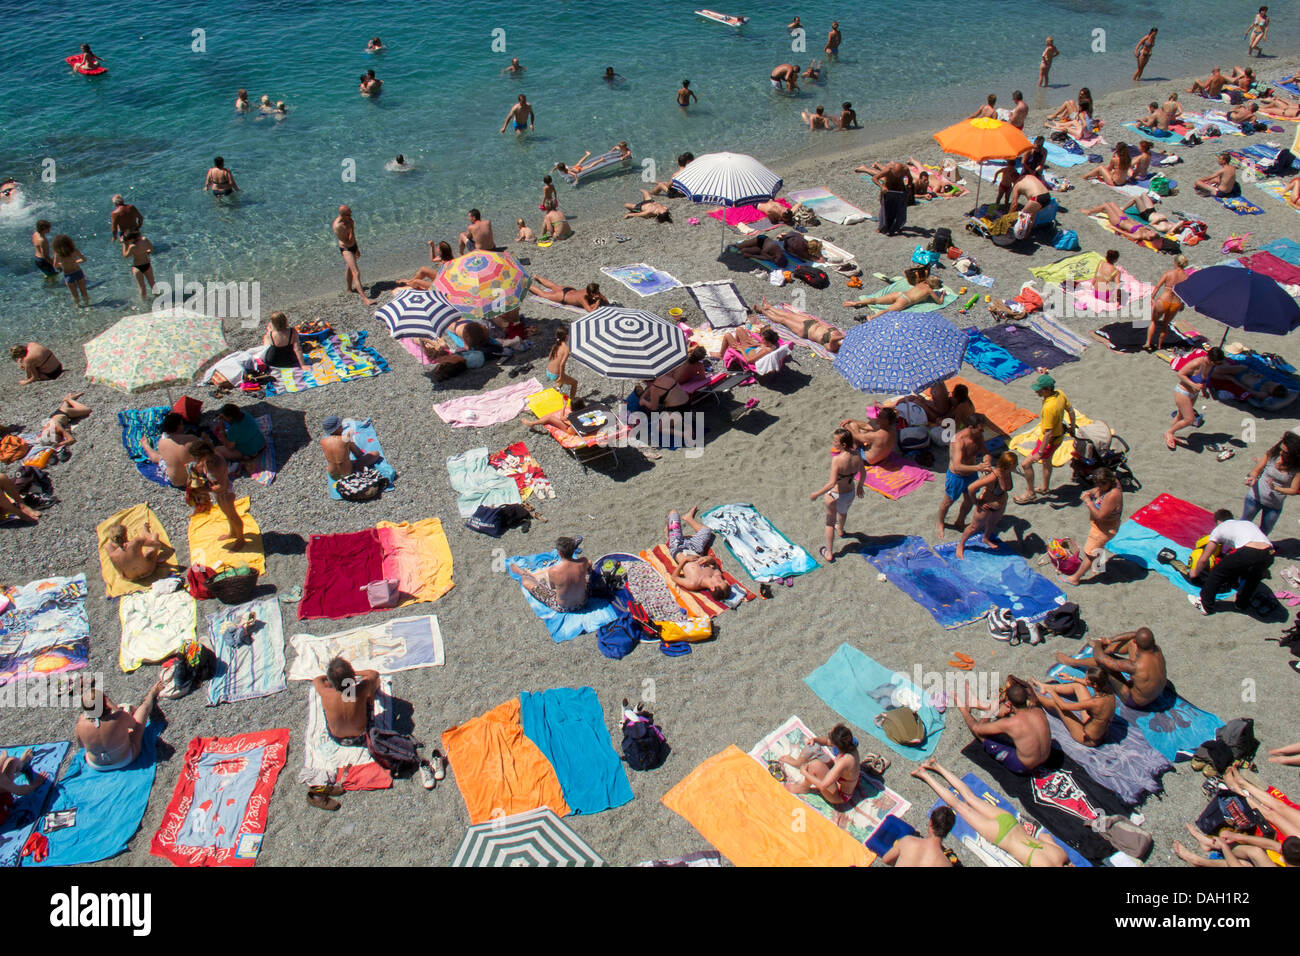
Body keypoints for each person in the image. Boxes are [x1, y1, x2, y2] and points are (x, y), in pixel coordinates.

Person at [912, 758, 1068, 866]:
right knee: (960, 807)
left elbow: (1044, 836)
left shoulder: (1061, 854)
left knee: (970, 797)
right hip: (1000, 836)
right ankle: (924, 775)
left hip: (1011, 823)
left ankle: (937, 766)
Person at [1189, 509, 1274, 614]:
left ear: (1218, 522)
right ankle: (1241, 604)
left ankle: (1205, 605)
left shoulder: (1219, 529)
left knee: (1218, 572)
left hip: (1250, 551)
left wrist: (1195, 573)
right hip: (1269, 553)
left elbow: (1204, 558)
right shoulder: (1247, 523)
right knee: (1253, 578)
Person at [1055, 627, 1167, 708]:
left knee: (1103, 664)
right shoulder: (1157, 650)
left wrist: (1099, 643)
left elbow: (1099, 658)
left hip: (1135, 700)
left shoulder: (1135, 666)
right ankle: (1106, 647)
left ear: (1136, 641)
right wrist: (1110, 640)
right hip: (1154, 693)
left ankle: (1072, 662)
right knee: (1130, 645)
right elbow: (1134, 634)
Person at [958, 680, 1051, 773]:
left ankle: (963, 709)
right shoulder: (1038, 711)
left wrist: (991, 711)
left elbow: (978, 728)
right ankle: (976, 703)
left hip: (1025, 766)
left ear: (1009, 703)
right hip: (1046, 757)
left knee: (982, 736)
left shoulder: (1009, 723)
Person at [74, 677, 163, 772]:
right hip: (124, 759)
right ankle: (151, 695)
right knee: (142, 712)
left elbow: (81, 746)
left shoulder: (80, 725)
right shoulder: (119, 717)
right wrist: (113, 706)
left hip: (96, 764)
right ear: (105, 704)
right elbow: (133, 725)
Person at [1016, 374, 1076, 504]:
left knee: (1026, 464)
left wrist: (1040, 452)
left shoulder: (1049, 407)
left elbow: (1048, 433)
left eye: (1040, 389)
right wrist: (1072, 427)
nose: (1037, 391)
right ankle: (1044, 488)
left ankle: (1030, 493)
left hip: (1048, 441)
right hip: (1059, 436)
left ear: (1048, 389)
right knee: (1047, 462)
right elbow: (1071, 411)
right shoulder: (1059, 394)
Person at [810, 428, 865, 563]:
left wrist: (816, 494)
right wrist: (860, 486)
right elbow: (863, 473)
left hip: (836, 493)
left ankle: (829, 553)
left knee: (829, 523)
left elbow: (831, 484)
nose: (833, 443)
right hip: (850, 491)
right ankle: (840, 530)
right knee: (843, 512)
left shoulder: (837, 460)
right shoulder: (857, 455)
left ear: (843, 444)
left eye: (835, 441)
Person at [1061, 468, 1123, 586]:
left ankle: (1075, 578)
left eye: (1103, 484)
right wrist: (1091, 492)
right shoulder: (1113, 482)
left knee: (1090, 553)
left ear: (1108, 481)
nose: (1100, 487)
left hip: (1103, 529)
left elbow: (1100, 516)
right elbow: (1098, 489)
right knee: (1098, 547)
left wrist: (1088, 501)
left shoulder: (1112, 495)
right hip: (1106, 527)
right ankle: (1098, 567)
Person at [778, 725, 862, 805]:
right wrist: (815, 740)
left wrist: (804, 772)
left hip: (840, 795)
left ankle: (804, 787)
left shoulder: (845, 761)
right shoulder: (848, 744)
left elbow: (822, 785)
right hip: (841, 778)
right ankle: (798, 763)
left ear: (835, 745)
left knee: (815, 765)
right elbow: (826, 741)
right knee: (812, 747)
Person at [1030, 669, 1116, 746]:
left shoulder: (1095, 703)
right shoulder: (1109, 691)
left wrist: (1052, 693)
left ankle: (1032, 693)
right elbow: (1086, 683)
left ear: (1095, 685)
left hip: (1087, 738)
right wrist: (1071, 677)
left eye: (1086, 679)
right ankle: (1044, 686)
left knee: (1055, 704)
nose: (1085, 680)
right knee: (1078, 686)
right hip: (1099, 730)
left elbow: (1063, 706)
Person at [937, 419, 992, 538]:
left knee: (969, 500)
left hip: (971, 474)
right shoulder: (959, 440)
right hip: (956, 476)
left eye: (983, 430)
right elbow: (957, 465)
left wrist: (987, 461)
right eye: (980, 430)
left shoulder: (978, 437)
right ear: (971, 427)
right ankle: (941, 523)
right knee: (948, 502)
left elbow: (985, 452)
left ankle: (960, 521)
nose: (982, 432)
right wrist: (978, 467)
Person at [955, 452, 1017, 559]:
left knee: (993, 522)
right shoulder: (993, 476)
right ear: (1007, 465)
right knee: (974, 527)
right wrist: (976, 502)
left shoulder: (1007, 472)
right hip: (987, 504)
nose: (1017, 466)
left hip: (1000, 503)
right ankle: (961, 545)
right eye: (1015, 464)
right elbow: (971, 488)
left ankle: (986, 538)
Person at [187, 440, 246, 548]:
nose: (196, 460)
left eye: (197, 457)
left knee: (233, 516)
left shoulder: (216, 465)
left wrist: (203, 490)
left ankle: (241, 539)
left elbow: (221, 486)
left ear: (203, 454)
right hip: (218, 493)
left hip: (225, 493)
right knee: (227, 514)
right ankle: (233, 532)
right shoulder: (209, 459)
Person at [511, 536, 590, 612]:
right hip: (583, 602)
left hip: (563, 607)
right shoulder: (584, 561)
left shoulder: (554, 571)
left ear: (559, 553)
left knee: (525, 581)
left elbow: (552, 587)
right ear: (573, 551)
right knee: (588, 570)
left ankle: (522, 573)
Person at [665, 506, 729, 599]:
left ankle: (669, 533)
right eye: (723, 581)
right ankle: (688, 518)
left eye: (719, 582)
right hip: (695, 549)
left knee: (673, 513)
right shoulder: (716, 575)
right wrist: (709, 559)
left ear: (712, 588)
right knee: (707, 531)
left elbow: (674, 578)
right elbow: (714, 563)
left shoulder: (693, 583)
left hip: (677, 548)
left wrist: (684, 561)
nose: (720, 579)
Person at [314, 657, 380, 746]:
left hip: (338, 739)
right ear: (353, 678)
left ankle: (338, 679)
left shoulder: (325, 692)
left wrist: (334, 676)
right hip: (363, 736)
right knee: (373, 685)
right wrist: (354, 673)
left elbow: (317, 680)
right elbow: (374, 674)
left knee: (327, 693)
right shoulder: (361, 689)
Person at [1166, 346, 1222, 450]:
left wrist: (1204, 391)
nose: (1218, 365)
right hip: (1182, 391)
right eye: (1217, 363)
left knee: (1180, 416)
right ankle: (1169, 432)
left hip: (1193, 394)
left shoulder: (1211, 366)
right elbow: (1181, 374)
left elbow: (1204, 380)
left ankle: (1171, 432)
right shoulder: (1197, 363)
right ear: (1210, 359)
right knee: (1189, 419)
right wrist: (1194, 385)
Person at [1243, 433, 1300, 534]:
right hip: (1255, 498)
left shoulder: (1296, 469)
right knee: (1243, 525)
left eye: (1285, 452)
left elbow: (1293, 490)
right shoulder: (1273, 454)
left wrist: (1276, 488)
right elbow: (1256, 470)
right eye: (1281, 449)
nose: (1281, 453)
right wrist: (1252, 477)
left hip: (1274, 505)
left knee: (1263, 533)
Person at [752, 298, 841, 353]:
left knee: (784, 320)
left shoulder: (832, 347)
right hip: (812, 322)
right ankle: (769, 307)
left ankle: (762, 311)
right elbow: (824, 325)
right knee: (789, 315)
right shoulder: (839, 334)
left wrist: (842, 337)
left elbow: (833, 340)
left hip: (805, 331)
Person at [882, 807, 956, 867]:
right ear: (948, 831)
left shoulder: (908, 841)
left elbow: (886, 860)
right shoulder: (945, 864)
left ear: (930, 823)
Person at [141, 411, 199, 487]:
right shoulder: (191, 438)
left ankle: (145, 445)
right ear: (179, 426)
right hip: (195, 478)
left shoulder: (162, 443)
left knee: (160, 458)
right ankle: (145, 445)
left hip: (176, 482)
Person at [333, 205, 376, 305]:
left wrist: (357, 248)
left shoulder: (349, 219)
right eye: (349, 214)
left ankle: (349, 289)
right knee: (356, 272)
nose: (351, 215)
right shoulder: (338, 226)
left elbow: (353, 238)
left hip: (353, 246)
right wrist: (351, 228)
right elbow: (347, 241)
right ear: (343, 215)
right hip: (346, 249)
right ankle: (365, 299)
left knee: (349, 266)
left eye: (351, 212)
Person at [320, 415, 381, 479]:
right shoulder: (345, 439)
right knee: (375, 454)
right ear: (337, 428)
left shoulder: (322, 442)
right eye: (340, 426)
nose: (342, 427)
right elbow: (358, 454)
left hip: (333, 476)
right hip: (347, 473)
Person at [103, 521, 168, 582]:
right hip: (148, 571)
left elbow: (120, 572)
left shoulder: (112, 554)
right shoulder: (136, 542)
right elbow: (157, 545)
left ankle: (144, 533)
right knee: (155, 536)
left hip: (130, 578)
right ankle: (145, 531)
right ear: (125, 535)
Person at [845, 275, 945, 314]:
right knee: (887, 310)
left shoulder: (921, 283)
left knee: (876, 300)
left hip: (900, 294)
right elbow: (939, 302)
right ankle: (871, 318)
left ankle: (855, 302)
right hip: (906, 300)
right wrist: (943, 294)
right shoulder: (929, 291)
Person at [1080, 201, 1163, 243]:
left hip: (1118, 222)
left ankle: (1089, 211)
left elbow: (1126, 234)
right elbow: (1133, 221)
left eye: (1152, 233)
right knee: (1112, 203)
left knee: (1106, 205)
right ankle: (1099, 209)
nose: (1151, 231)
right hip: (1124, 217)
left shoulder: (1138, 235)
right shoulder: (1145, 230)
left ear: (1149, 237)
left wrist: (1113, 228)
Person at [50, 234, 89, 307]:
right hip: (78, 272)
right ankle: (88, 305)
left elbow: (55, 265)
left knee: (74, 294)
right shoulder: (74, 251)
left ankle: (78, 307)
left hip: (68, 275)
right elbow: (84, 259)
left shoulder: (58, 255)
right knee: (84, 291)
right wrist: (77, 261)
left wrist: (62, 264)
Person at [530, 276, 608, 311]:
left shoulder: (590, 289)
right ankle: (527, 285)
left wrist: (601, 298)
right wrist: (598, 301)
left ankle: (537, 277)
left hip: (568, 289)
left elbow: (605, 300)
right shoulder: (582, 298)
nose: (599, 294)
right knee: (543, 294)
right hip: (562, 296)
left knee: (553, 286)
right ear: (592, 293)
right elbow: (590, 310)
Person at [714, 326, 781, 364]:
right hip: (752, 349)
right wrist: (758, 344)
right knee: (739, 329)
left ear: (768, 341)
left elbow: (749, 360)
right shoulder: (774, 344)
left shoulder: (766, 350)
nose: (761, 340)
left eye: (763, 340)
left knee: (727, 335)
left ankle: (721, 355)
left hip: (745, 353)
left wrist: (741, 350)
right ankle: (734, 343)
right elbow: (764, 346)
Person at [545, 328, 579, 402]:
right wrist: (561, 375)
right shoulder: (566, 349)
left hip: (548, 371)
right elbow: (561, 365)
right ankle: (571, 401)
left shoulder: (555, 345)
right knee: (574, 383)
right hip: (555, 374)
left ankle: (556, 390)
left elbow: (550, 356)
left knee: (562, 380)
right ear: (567, 337)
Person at [121, 231, 155, 302]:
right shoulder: (145, 240)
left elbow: (125, 255)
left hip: (137, 267)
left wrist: (123, 243)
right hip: (147, 264)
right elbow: (151, 249)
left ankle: (144, 304)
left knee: (142, 287)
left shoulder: (132, 247)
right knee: (152, 283)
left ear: (131, 239)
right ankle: (159, 298)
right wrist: (146, 252)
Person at [31, 219, 57, 283]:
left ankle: (47, 282)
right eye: (48, 228)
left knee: (47, 274)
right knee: (52, 276)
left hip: (37, 259)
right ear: (43, 228)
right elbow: (45, 256)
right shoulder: (42, 240)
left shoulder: (35, 234)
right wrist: (55, 264)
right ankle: (53, 291)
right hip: (43, 261)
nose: (49, 230)